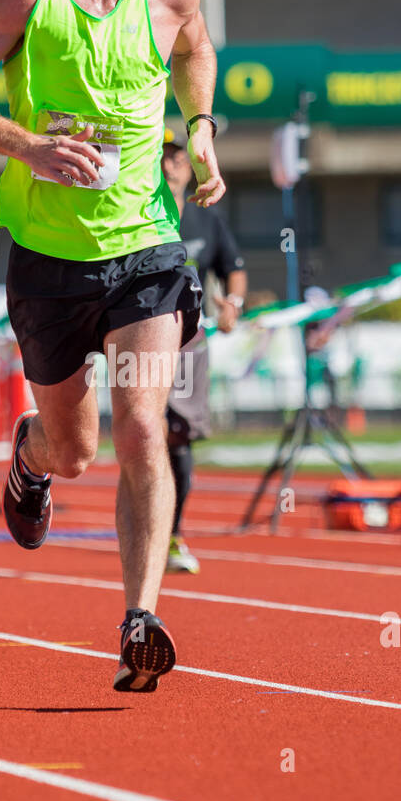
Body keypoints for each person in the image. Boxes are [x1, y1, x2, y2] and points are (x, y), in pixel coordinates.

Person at [0, 0, 226, 693]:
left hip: (146, 251)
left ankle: (140, 616)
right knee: (78, 448)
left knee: (144, 428)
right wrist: (30, 147)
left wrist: (201, 129)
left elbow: (196, 54)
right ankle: (30, 457)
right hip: (50, 262)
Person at [159, 132, 247, 573]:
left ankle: (172, 535)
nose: (169, 162)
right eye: (160, 154)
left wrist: (232, 304)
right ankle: (144, 527)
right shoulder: (131, 212)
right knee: (141, 434)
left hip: (190, 342)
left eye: (175, 155)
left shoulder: (204, 217)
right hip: (137, 338)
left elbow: (234, 269)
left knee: (178, 435)